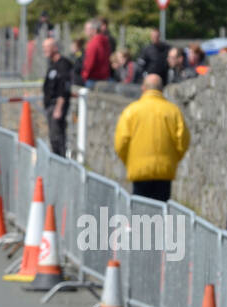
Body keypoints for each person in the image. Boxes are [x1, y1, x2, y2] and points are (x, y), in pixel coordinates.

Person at [112, 73, 190, 202]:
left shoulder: (131, 111)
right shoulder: (173, 111)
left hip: (139, 170)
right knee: (160, 214)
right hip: (164, 171)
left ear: (144, 88)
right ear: (161, 89)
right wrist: (173, 159)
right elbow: (183, 141)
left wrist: (129, 161)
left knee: (140, 213)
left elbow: (121, 143)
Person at [42, 37, 72, 156]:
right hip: (50, 105)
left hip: (57, 105)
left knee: (57, 137)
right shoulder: (52, 64)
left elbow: (63, 88)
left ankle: (61, 162)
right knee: (53, 136)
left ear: (55, 47)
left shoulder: (63, 64)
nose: (45, 50)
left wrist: (59, 108)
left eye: (47, 47)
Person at [80, 19, 111, 86]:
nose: (85, 31)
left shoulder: (93, 43)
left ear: (94, 30)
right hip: (104, 77)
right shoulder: (105, 42)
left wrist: (84, 75)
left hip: (92, 79)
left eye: (87, 29)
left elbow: (89, 63)